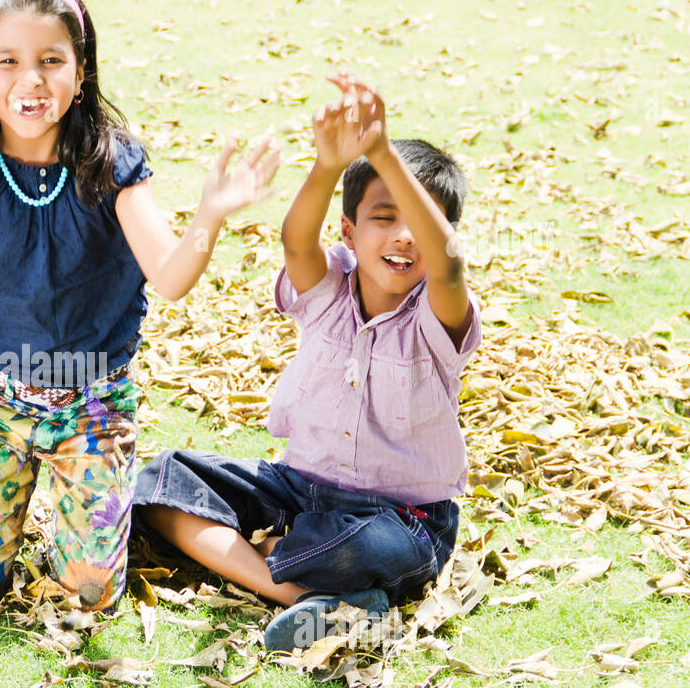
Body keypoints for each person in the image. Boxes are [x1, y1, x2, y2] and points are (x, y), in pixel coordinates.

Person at [0, 0, 279, 612]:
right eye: (8, 62)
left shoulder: (113, 165)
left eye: (51, 61)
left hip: (93, 407)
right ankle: (24, 522)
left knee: (88, 597)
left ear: (81, 72)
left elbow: (171, 279)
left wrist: (210, 213)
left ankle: (97, 519)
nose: (30, 80)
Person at [134, 72, 481, 652]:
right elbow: (297, 241)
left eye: (418, 223)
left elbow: (446, 261)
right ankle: (301, 596)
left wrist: (381, 152)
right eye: (383, 217)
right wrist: (328, 166)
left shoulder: (438, 314)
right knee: (163, 479)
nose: (404, 238)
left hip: (403, 517)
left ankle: (295, 564)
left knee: (370, 547)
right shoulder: (328, 292)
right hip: (299, 491)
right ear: (348, 229)